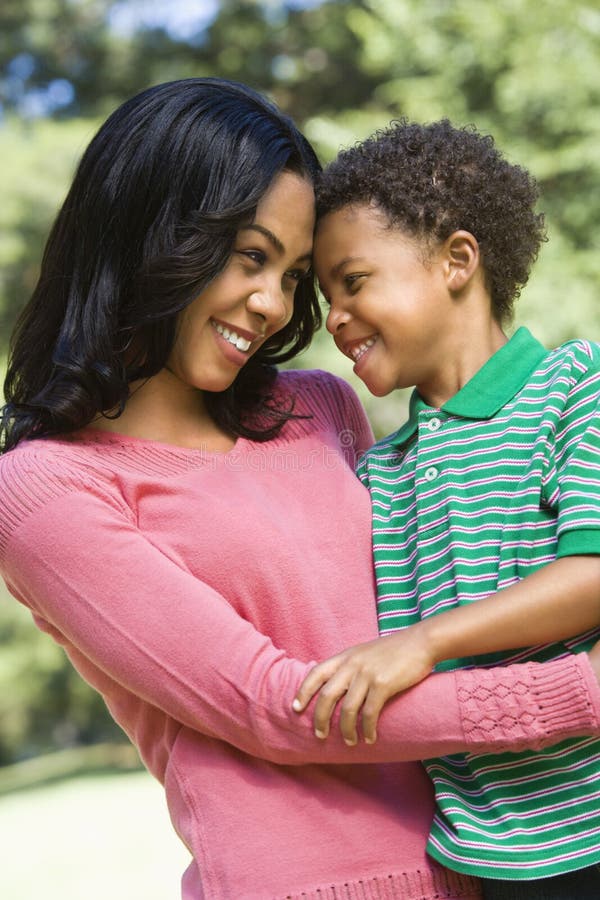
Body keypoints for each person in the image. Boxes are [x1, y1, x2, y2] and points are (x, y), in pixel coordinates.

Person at [0, 82, 599, 900]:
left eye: (291, 274)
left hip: (482, 865)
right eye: (252, 258)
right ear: (155, 233)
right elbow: (272, 704)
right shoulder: (46, 488)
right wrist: (579, 692)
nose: (274, 306)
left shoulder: (319, 410)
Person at [297, 119, 600, 898]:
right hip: (485, 862)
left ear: (457, 260)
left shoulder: (576, 386)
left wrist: (423, 643)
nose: (333, 317)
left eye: (353, 281)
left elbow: (593, 572)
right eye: (326, 297)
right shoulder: (378, 474)